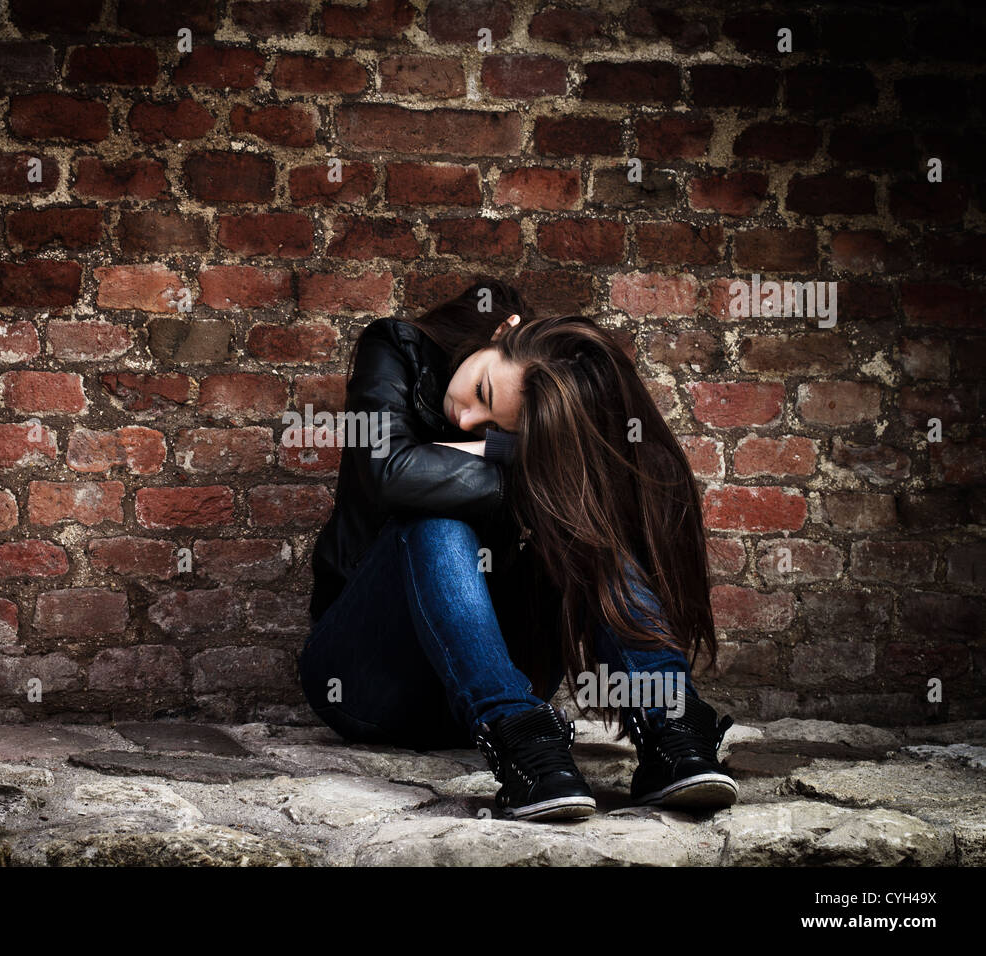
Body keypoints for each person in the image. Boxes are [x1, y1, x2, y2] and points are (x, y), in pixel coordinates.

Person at [300, 277, 738, 822]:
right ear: (503, 331)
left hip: (500, 671)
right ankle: (521, 740)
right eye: (482, 394)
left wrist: (510, 451)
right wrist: (528, 463)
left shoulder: (530, 426)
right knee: (437, 514)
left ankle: (674, 734)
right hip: (369, 677)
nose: (465, 420)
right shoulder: (396, 347)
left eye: (495, 428)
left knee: (585, 520)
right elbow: (390, 472)